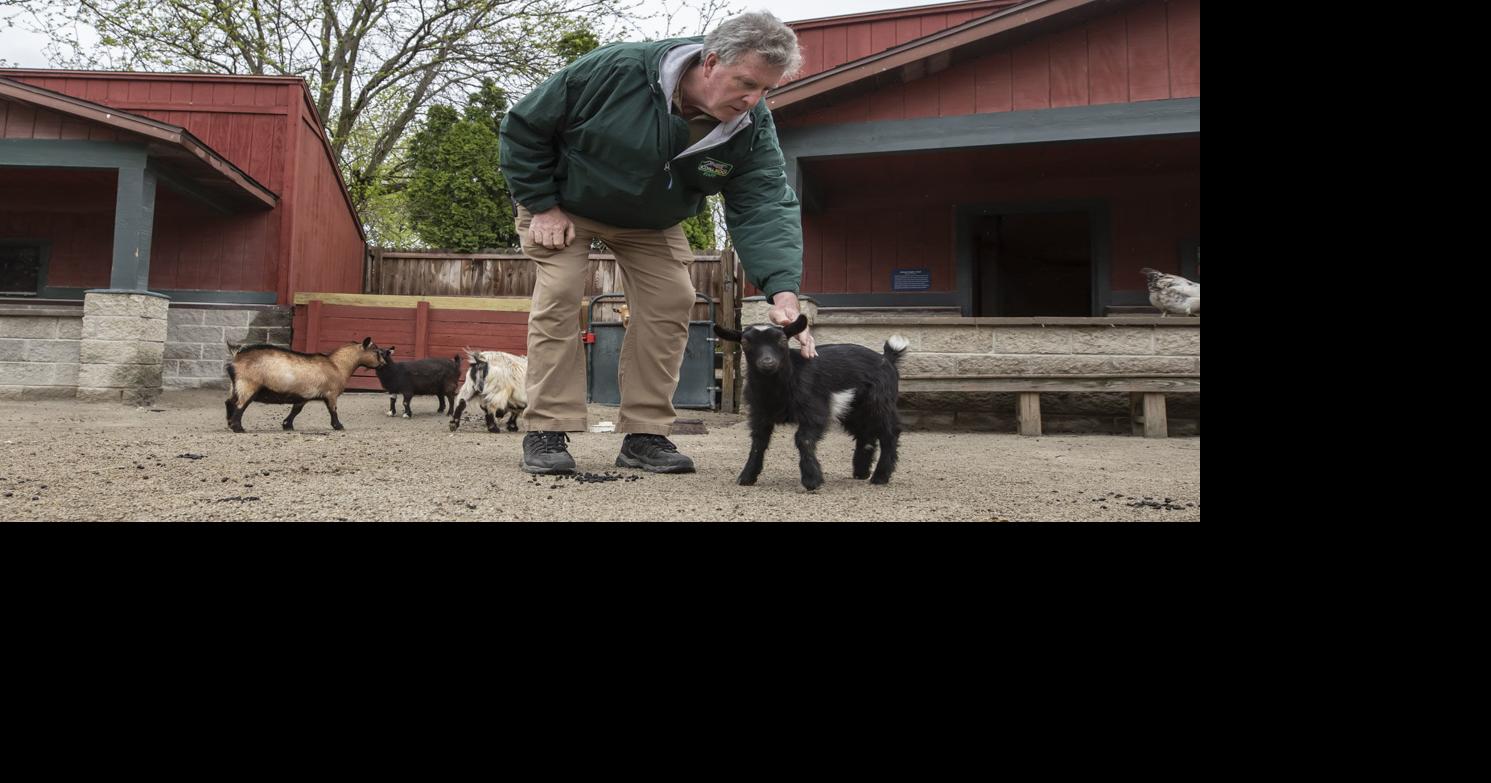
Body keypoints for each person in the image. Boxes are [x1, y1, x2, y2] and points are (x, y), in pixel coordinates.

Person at [499, 9, 818, 475]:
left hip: (651, 219)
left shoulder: (750, 127)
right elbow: (525, 126)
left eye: (766, 89)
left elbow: (764, 202)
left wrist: (783, 292)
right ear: (710, 63)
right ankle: (547, 427)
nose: (753, 99)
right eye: (745, 83)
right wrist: (541, 204)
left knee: (673, 299)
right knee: (560, 294)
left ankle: (645, 434)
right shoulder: (616, 70)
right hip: (564, 202)